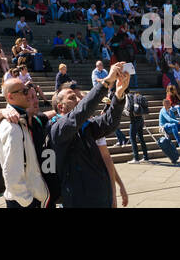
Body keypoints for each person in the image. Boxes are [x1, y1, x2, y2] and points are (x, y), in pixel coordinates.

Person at [47, 61, 131, 208]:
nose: (79, 100)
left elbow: (109, 122)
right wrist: (106, 82)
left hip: (101, 198)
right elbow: (82, 111)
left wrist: (118, 95)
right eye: (72, 98)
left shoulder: (85, 126)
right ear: (61, 107)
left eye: (78, 97)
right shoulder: (57, 128)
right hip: (80, 200)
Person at [125, 87, 150, 163]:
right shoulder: (135, 95)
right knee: (141, 138)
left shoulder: (128, 96)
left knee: (132, 138)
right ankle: (145, 157)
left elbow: (129, 108)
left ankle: (136, 158)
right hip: (140, 119)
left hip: (134, 120)